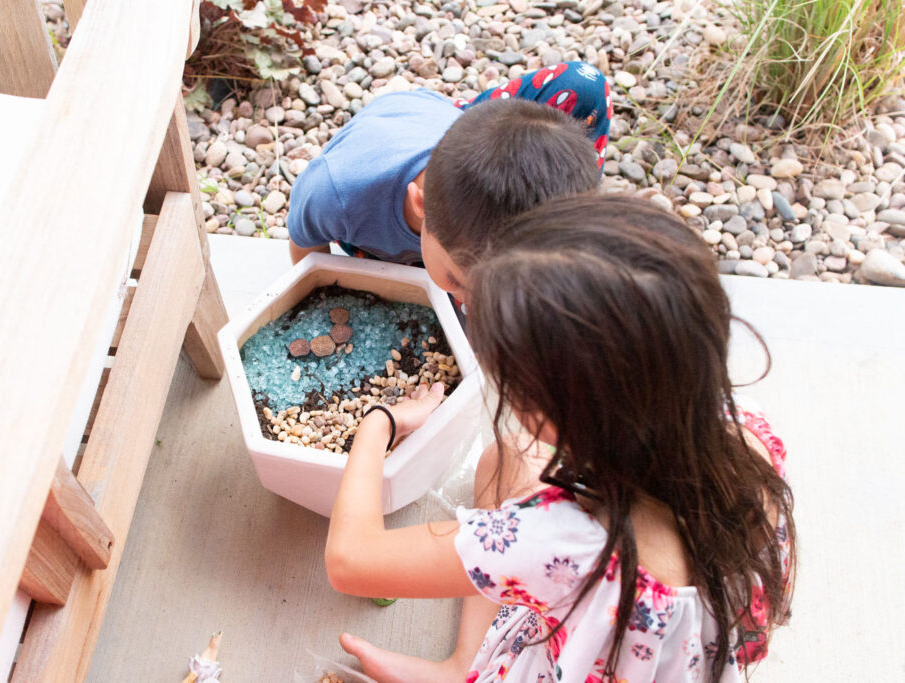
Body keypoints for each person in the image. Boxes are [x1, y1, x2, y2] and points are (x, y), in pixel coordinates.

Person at [324, 195, 796, 682]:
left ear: (569, 419)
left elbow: (349, 559)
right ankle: (463, 664)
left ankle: (472, 671)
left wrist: (378, 423)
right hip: (678, 657)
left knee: (508, 463)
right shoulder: (747, 433)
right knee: (505, 459)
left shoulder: (560, 543)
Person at [286, 62, 611, 299]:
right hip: (409, 122)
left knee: (586, 86)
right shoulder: (336, 193)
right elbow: (307, 251)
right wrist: (323, 299)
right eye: (459, 283)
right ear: (420, 204)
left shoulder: (454, 234)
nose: (469, 303)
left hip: (459, 124)